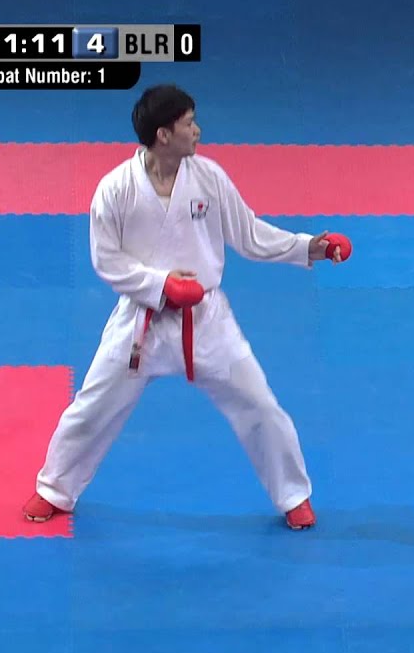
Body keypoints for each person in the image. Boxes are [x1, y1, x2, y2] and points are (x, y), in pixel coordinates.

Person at [22, 84, 346, 531]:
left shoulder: (208, 177)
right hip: (141, 322)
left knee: (260, 406)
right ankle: (54, 488)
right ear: (163, 135)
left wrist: (311, 247)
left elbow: (249, 234)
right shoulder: (115, 189)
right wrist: (162, 285)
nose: (198, 130)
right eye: (188, 123)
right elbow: (107, 261)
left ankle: (294, 496)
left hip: (208, 321)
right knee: (93, 405)